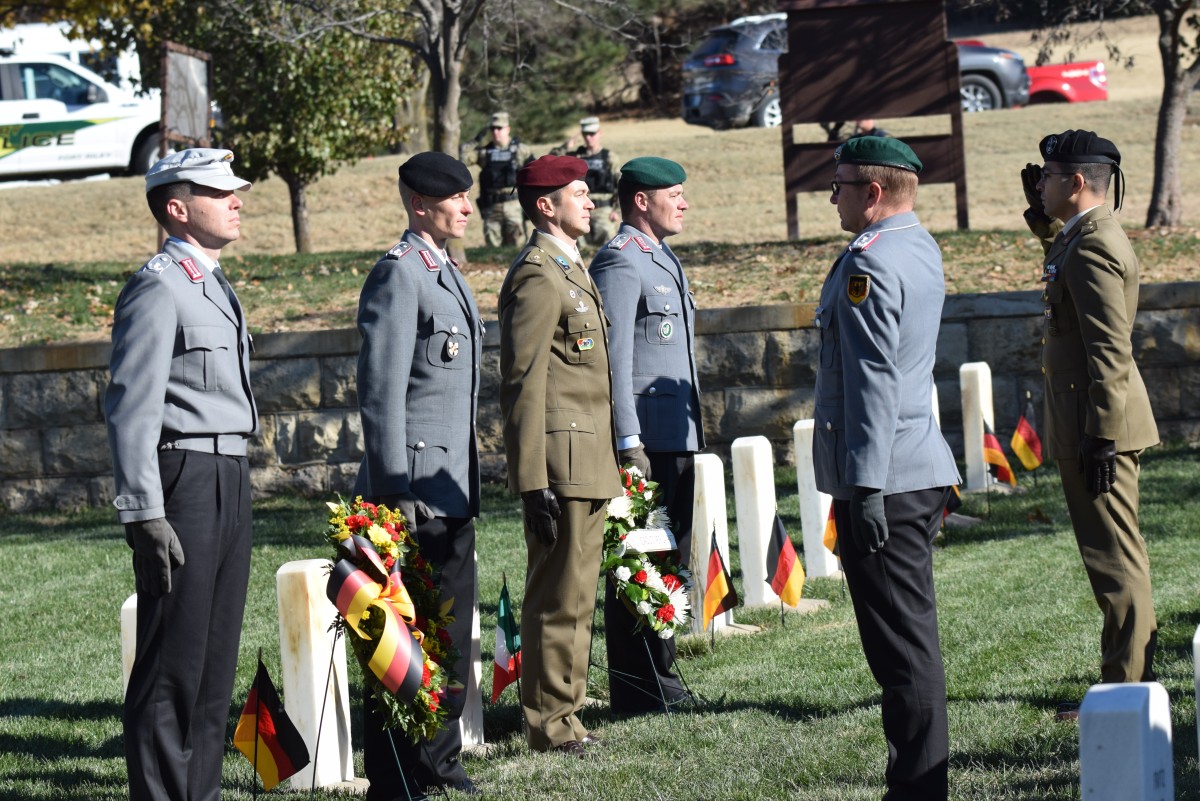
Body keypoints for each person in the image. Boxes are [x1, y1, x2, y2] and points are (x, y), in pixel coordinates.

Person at [104, 148, 257, 801]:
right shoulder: (159, 284)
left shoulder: (210, 281)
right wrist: (143, 508)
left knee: (214, 660)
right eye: (219, 191)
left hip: (227, 472)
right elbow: (129, 403)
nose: (236, 200)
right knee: (172, 663)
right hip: (183, 476)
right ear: (177, 206)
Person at [813, 136, 960, 801]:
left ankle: (918, 788)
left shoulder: (867, 263)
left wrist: (865, 486)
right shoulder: (919, 245)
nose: (833, 195)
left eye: (840, 184)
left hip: (887, 478)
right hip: (916, 466)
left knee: (902, 650)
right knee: (906, 641)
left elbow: (872, 380)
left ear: (873, 193)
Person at [354, 152, 484, 797]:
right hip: (411, 493)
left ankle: (439, 763)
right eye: (456, 199)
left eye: (468, 197)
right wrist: (391, 487)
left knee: (450, 637)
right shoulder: (400, 276)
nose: (467, 207)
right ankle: (399, 773)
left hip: (451, 488)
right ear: (419, 205)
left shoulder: (445, 272)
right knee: (404, 642)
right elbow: (380, 392)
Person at [1020, 130, 1159, 708]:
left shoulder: (1095, 245)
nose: (1041, 182)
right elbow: (1066, 268)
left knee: (1114, 559)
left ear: (1077, 183)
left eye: (1050, 177)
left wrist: (1100, 435)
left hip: (1095, 429)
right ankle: (1125, 677)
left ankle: (1127, 690)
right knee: (1113, 555)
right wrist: (1042, 216)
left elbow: (1109, 350)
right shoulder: (1084, 235)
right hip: (1088, 424)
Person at [497, 154, 622, 757]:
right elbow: (524, 381)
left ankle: (567, 713)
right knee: (555, 597)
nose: (591, 201)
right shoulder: (539, 275)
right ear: (546, 205)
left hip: (589, 455)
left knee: (577, 595)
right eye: (579, 193)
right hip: (559, 462)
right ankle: (548, 722)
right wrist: (531, 480)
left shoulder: (571, 266)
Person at [588, 156, 702, 715]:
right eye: (673, 194)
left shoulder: (663, 259)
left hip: (675, 436)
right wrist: (626, 441)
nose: (683, 203)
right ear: (640, 200)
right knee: (638, 560)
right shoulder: (621, 261)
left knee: (665, 558)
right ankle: (636, 687)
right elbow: (613, 363)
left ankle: (661, 675)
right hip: (646, 443)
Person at [461, 111, 535, 247]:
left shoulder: (521, 150)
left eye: (499, 128)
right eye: (492, 128)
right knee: (493, 246)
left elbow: (535, 174)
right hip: (491, 206)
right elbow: (462, 158)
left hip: (514, 205)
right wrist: (475, 140)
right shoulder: (484, 153)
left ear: (508, 129)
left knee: (517, 247)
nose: (495, 132)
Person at [551, 116, 621, 246]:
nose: (588, 138)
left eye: (592, 134)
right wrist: (564, 147)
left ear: (600, 133)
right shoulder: (575, 156)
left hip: (603, 211)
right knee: (578, 248)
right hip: (578, 208)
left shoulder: (609, 157)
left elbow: (620, 185)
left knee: (608, 246)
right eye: (585, 134)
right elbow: (550, 161)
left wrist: (616, 211)